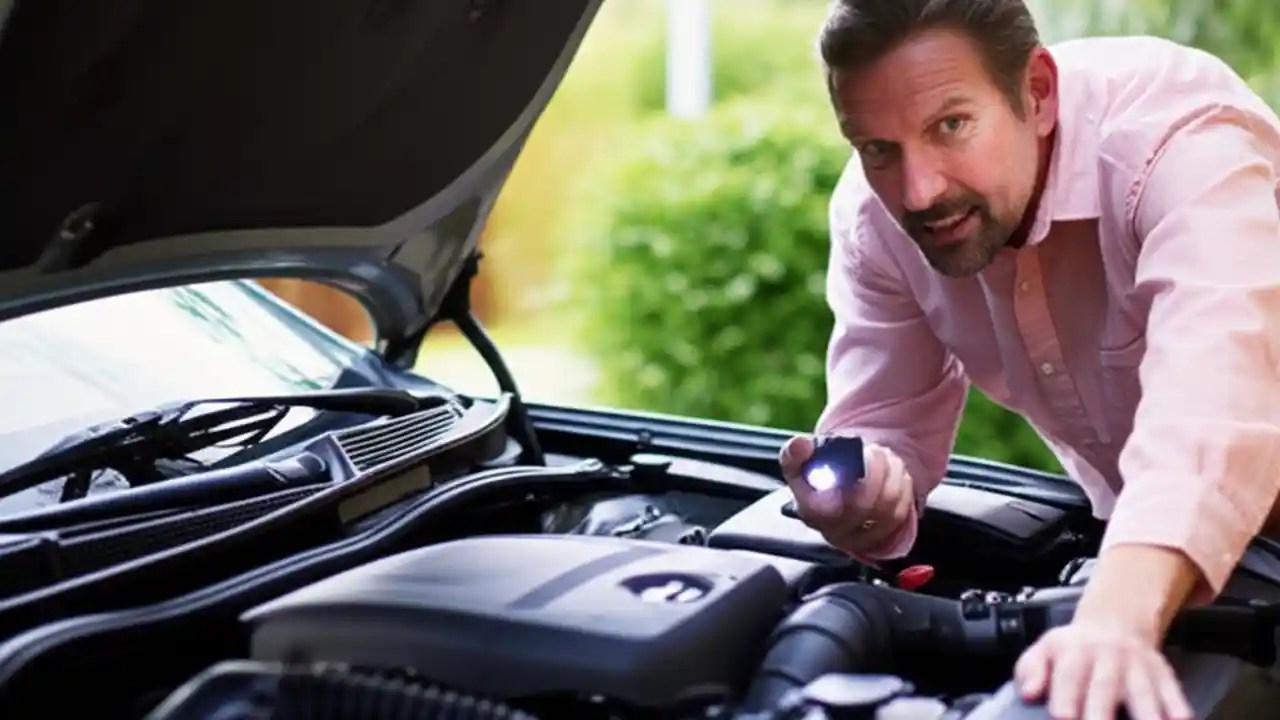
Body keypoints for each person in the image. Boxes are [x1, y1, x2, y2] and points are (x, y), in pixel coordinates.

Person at [779, 1, 1280, 718]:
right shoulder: (874, 216)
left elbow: (1214, 403)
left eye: (950, 126)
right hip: (1168, 552)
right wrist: (868, 494)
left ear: (1037, 93)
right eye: (876, 147)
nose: (918, 190)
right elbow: (884, 424)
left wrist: (1114, 621)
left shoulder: (1180, 142)